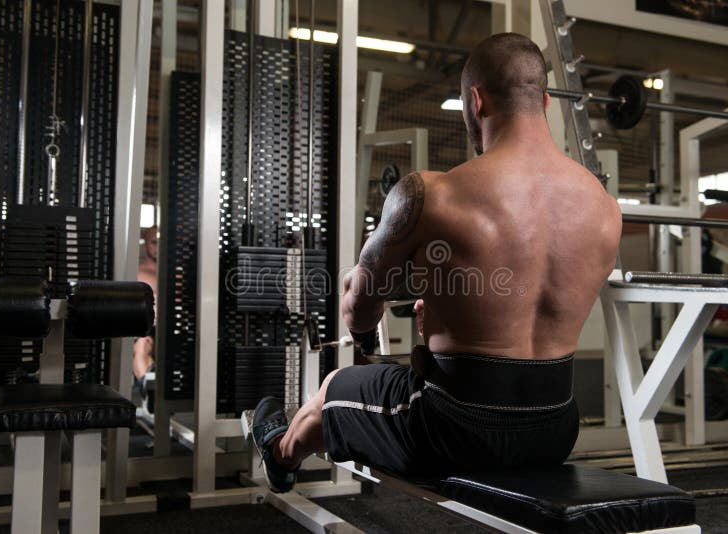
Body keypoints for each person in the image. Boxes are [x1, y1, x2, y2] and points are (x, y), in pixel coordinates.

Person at [249, 33, 622, 492]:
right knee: (376, 385)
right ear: (544, 101)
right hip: (556, 430)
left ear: (476, 100)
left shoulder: (433, 193)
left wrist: (365, 338)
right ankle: (284, 441)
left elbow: (359, 305)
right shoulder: (604, 206)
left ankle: (280, 454)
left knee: (337, 387)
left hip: (455, 430)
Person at [133, 225, 158, 381]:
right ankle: (147, 391)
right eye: (154, 242)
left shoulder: (178, 274)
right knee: (142, 345)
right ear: (145, 244)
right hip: (145, 330)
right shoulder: (138, 272)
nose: (158, 247)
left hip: (171, 330)